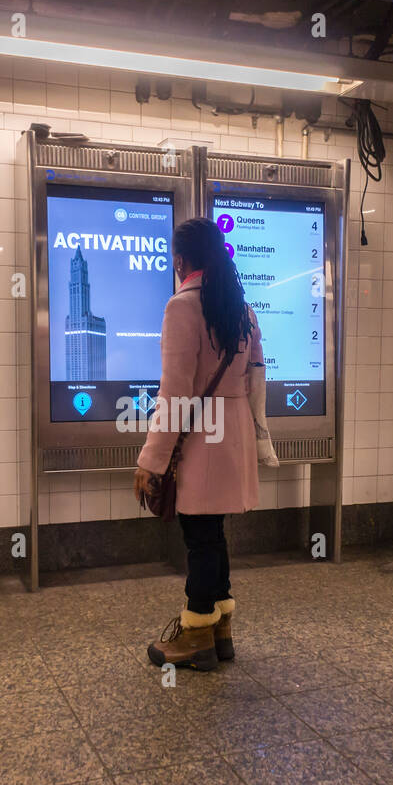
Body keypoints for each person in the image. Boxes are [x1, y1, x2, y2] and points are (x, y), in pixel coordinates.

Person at [135, 218, 262, 671]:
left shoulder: (182, 307)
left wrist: (151, 460)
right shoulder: (242, 309)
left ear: (182, 259)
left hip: (201, 439)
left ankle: (195, 636)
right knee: (213, 533)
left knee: (200, 539)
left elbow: (174, 394)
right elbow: (252, 379)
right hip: (233, 434)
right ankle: (221, 628)